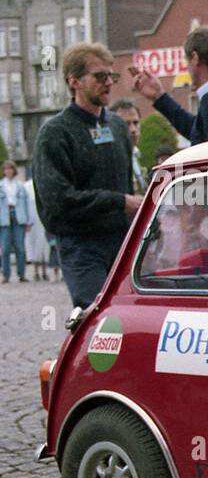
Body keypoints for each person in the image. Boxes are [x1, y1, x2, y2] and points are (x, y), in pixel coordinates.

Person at [31, 43, 143, 308]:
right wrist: (118, 201)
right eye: (99, 76)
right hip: (82, 247)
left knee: (127, 317)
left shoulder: (116, 126)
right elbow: (57, 200)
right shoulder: (55, 133)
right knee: (94, 319)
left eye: (111, 76)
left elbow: (125, 183)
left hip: (121, 243)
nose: (108, 83)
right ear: (74, 81)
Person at [1, 160, 35, 282]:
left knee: (20, 247)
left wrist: (29, 221)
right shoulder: (1, 186)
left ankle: (21, 274)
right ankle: (6, 275)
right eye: (6, 169)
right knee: (5, 248)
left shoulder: (21, 186)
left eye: (10, 169)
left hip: (18, 217)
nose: (8, 171)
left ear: (14, 170)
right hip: (4, 218)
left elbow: (27, 204)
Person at [109, 99, 148, 193]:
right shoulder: (110, 160)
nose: (133, 129)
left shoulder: (135, 154)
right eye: (126, 124)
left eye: (136, 123)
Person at [24, 174, 49, 280]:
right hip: (32, 220)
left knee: (45, 244)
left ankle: (44, 270)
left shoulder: (46, 184)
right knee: (33, 244)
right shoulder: (26, 186)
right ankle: (35, 271)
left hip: (44, 219)